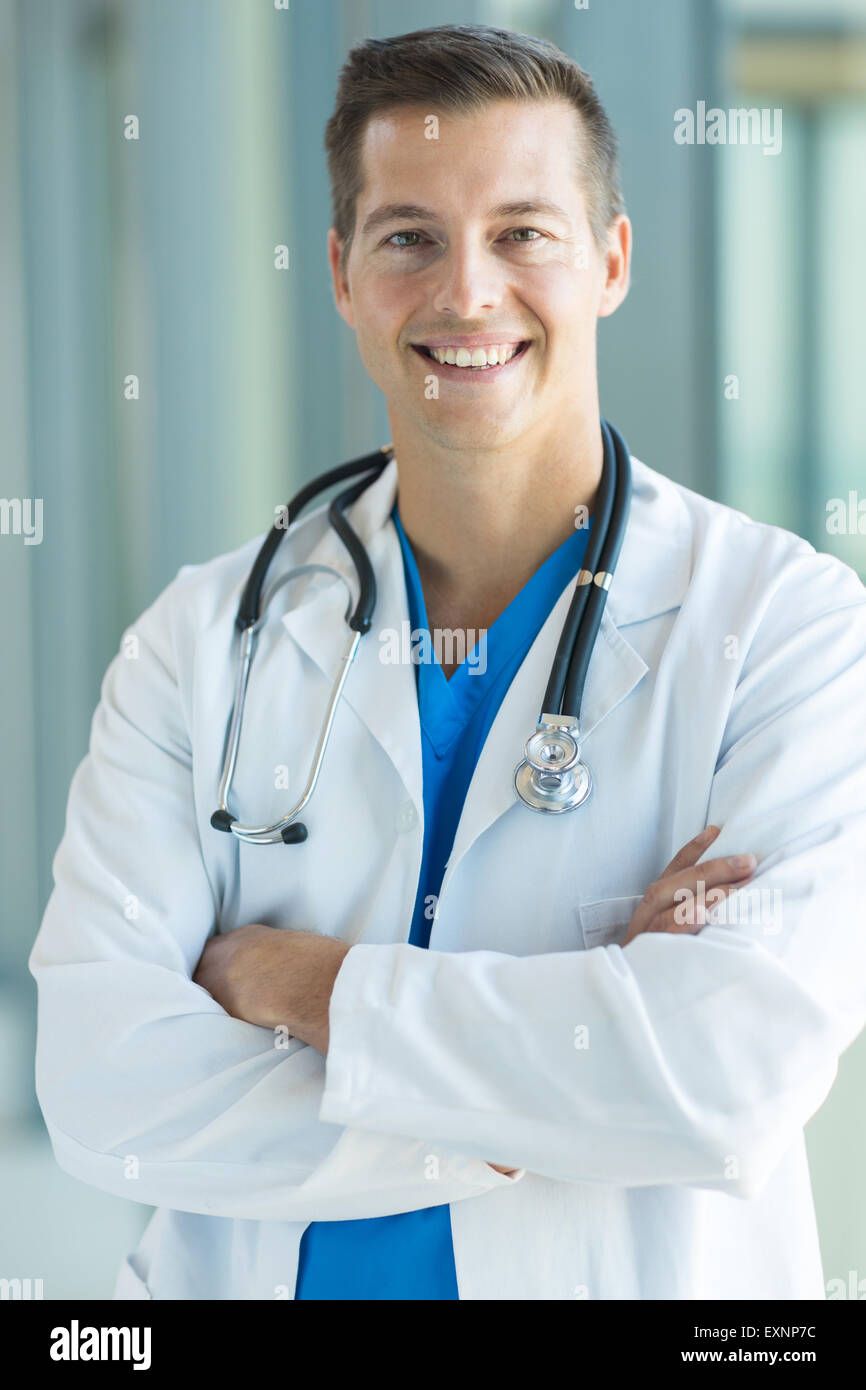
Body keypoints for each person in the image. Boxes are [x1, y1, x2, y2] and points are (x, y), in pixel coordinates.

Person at [30, 23, 866, 1301]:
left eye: (523, 230)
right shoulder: (200, 644)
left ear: (610, 260)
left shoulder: (788, 632)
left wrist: (313, 989)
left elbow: (720, 1078)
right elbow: (105, 1091)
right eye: (408, 235)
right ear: (341, 274)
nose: (467, 291)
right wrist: (558, 1094)